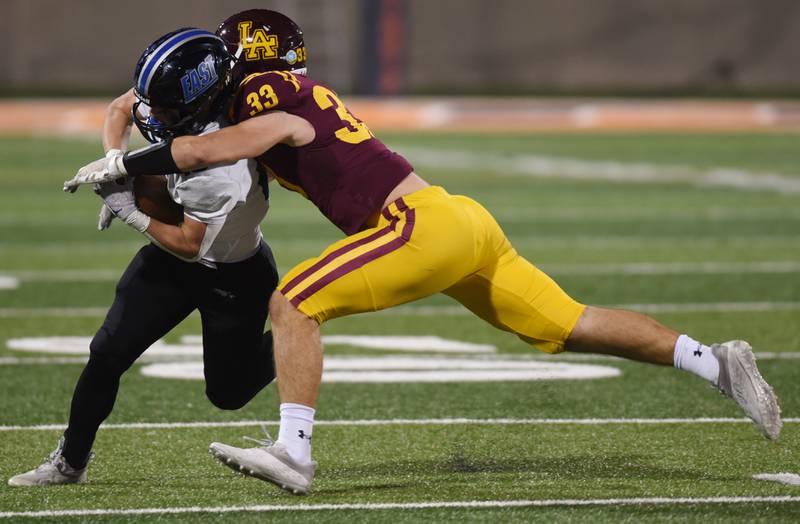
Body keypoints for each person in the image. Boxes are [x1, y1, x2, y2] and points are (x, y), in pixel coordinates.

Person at [63, 11, 782, 495]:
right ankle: (712, 360)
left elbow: (215, 145)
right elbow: (143, 105)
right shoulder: (278, 87)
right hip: (456, 219)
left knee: (294, 302)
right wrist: (119, 143)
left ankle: (295, 453)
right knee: (569, 323)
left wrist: (123, 169)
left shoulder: (271, 96)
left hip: (417, 226)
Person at [10, 29, 279, 486]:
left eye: (167, 110)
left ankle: (293, 344)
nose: (154, 115)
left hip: (232, 272)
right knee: (107, 352)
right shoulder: (181, 99)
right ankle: (70, 461)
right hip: (173, 261)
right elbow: (121, 108)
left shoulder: (221, 167)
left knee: (229, 394)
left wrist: (129, 210)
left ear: (202, 101)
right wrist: (115, 159)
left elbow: (191, 245)